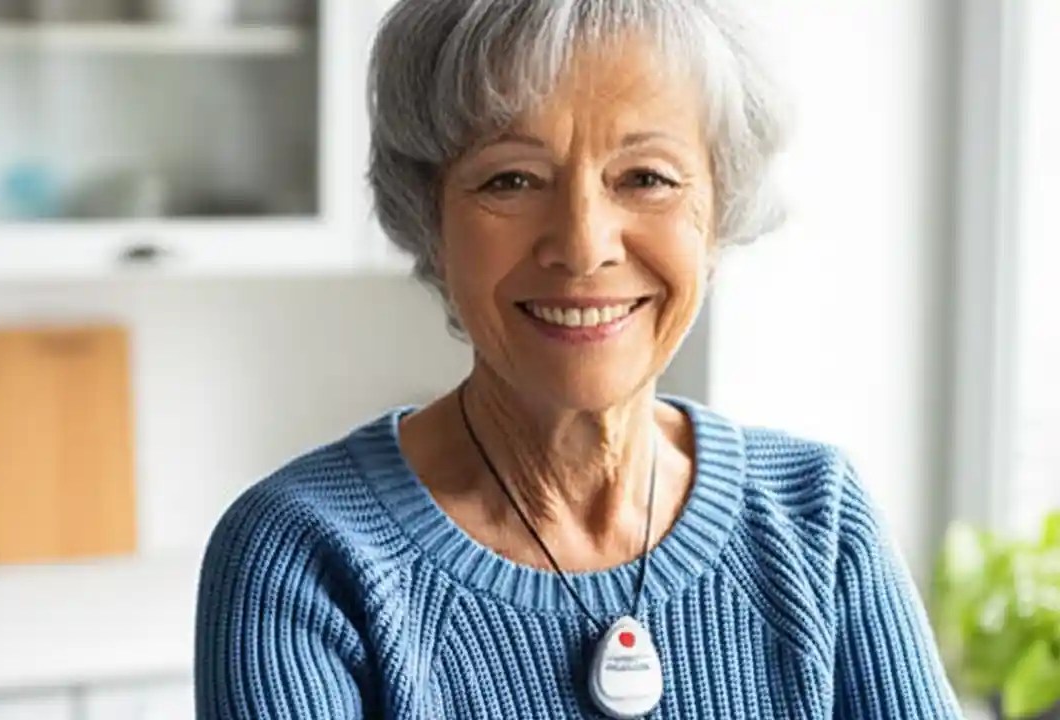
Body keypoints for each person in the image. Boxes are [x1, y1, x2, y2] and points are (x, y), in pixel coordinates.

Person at [195, 1, 961, 717]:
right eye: (513, 179)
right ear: (430, 215)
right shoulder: (303, 557)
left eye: (647, 179)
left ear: (719, 213)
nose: (584, 245)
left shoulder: (816, 519)